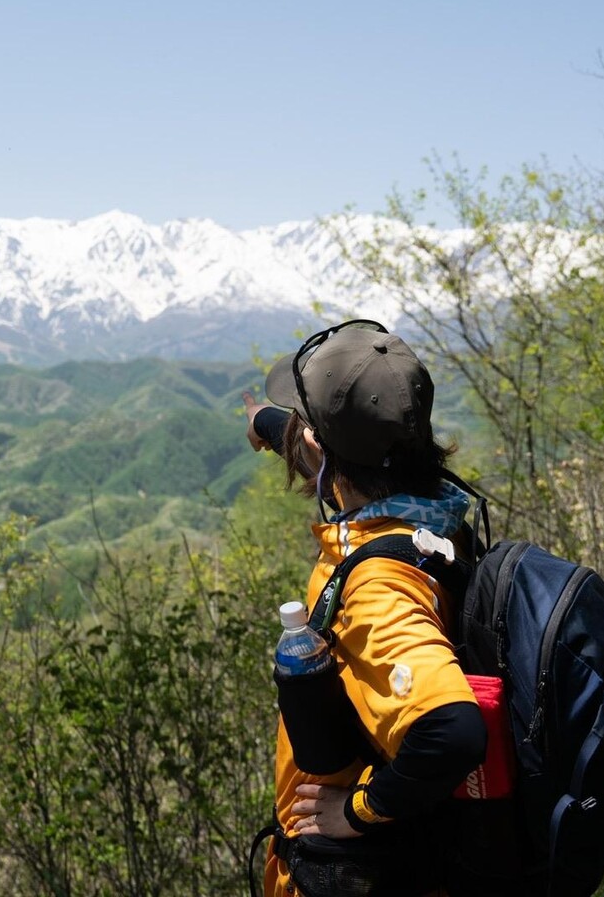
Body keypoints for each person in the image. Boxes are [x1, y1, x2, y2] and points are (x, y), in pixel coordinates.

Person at [246, 320, 487, 897]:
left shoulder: (378, 584)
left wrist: (356, 812)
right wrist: (264, 421)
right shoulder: (431, 509)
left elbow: (452, 731)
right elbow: (332, 453)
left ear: (316, 445)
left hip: (356, 874)